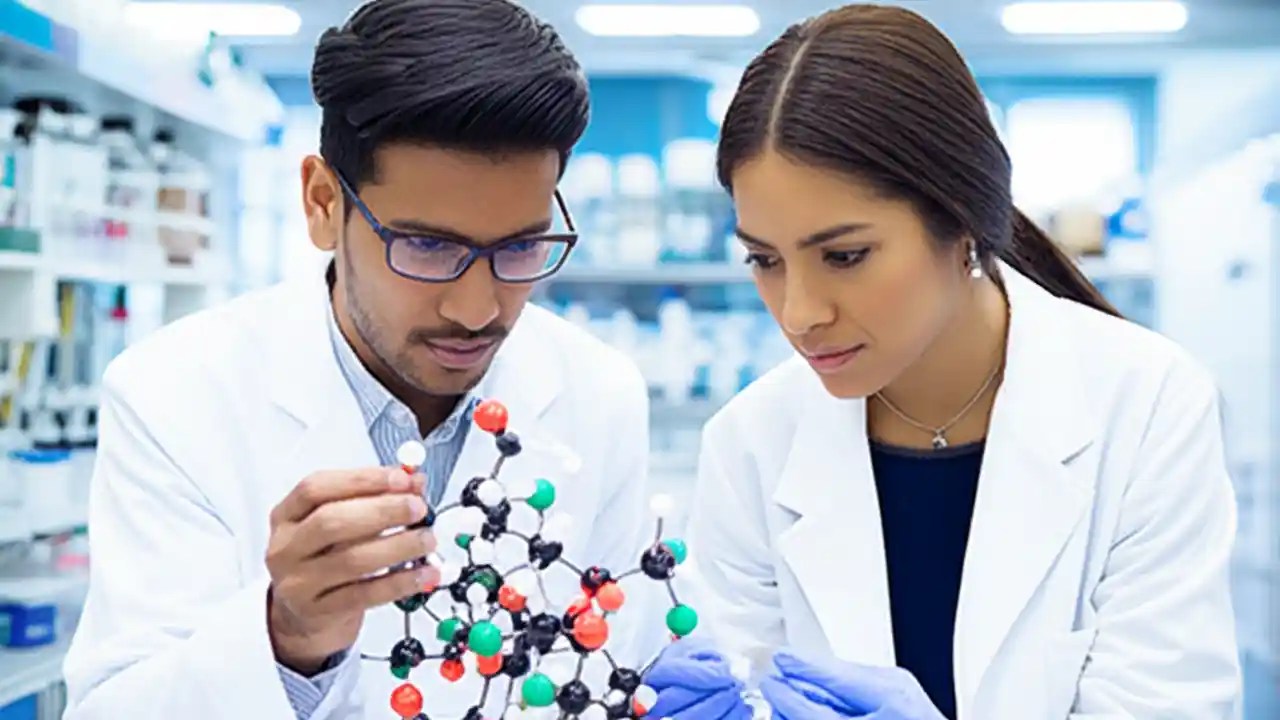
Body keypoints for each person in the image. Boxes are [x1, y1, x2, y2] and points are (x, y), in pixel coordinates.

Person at [61, 1, 660, 718]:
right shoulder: (175, 392)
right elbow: (112, 707)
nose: (477, 309)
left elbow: (611, 673)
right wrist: (288, 637)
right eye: (428, 246)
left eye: (520, 248)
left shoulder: (599, 392)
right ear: (321, 203)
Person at [644, 5, 1241, 720]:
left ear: (961, 220)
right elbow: (749, 684)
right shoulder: (751, 442)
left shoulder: (1146, 406)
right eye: (764, 260)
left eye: (845, 256)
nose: (799, 311)